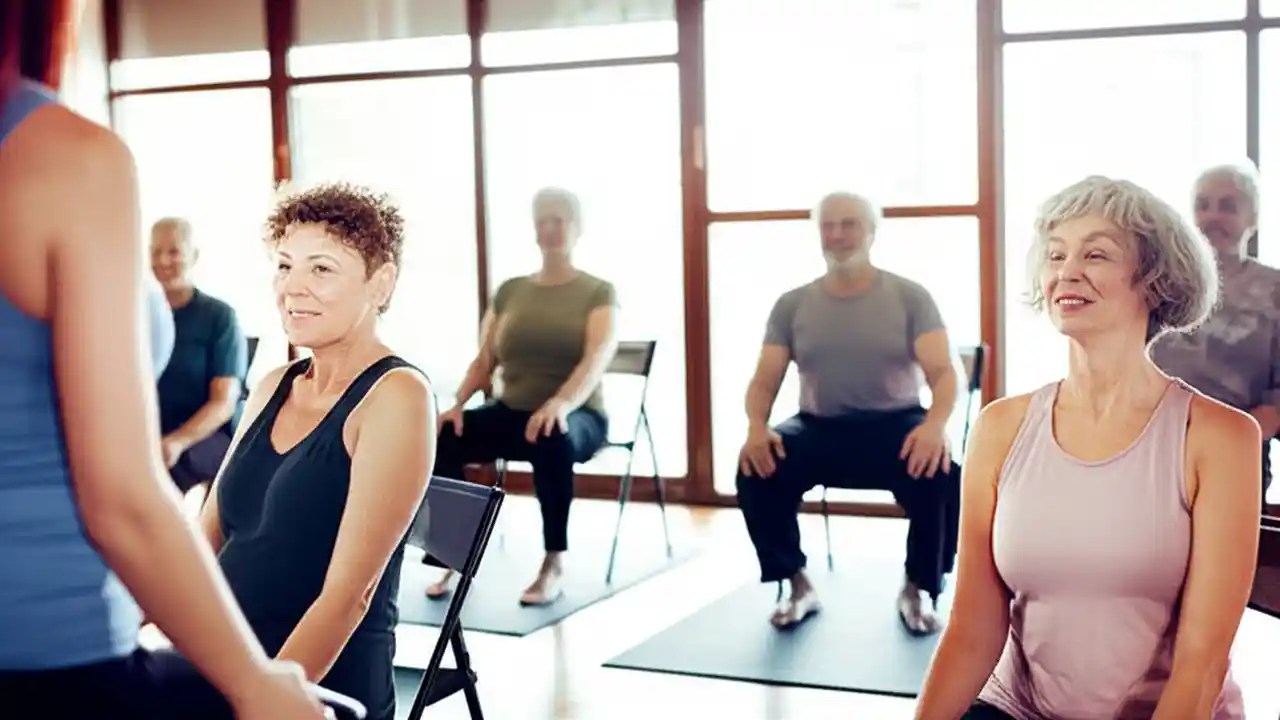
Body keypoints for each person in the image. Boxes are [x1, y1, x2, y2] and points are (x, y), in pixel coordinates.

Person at [0, 1, 326, 717]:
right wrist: (255, 682)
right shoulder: (63, 160)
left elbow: (219, 399)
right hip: (51, 652)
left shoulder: (218, 315)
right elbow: (119, 499)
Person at [915, 176, 1260, 719]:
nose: (1065, 271)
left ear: (1154, 281)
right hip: (1018, 709)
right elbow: (972, 631)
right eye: (1055, 254)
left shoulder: (1221, 439)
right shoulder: (999, 428)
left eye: (1096, 253)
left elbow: (1202, 663)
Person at [197, 182, 435, 720]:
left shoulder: (396, 397)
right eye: (284, 266)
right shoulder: (273, 384)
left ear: (381, 283)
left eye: (321, 269)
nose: (292, 288)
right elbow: (204, 543)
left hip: (312, 691)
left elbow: (350, 595)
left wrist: (260, 698)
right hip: (225, 666)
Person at [735, 191, 962, 632]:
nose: (838, 234)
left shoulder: (910, 296)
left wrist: (936, 426)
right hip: (818, 426)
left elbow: (943, 373)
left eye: (849, 224)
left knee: (942, 472)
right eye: (829, 225)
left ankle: (919, 587)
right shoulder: (792, 304)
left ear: (872, 232)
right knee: (754, 468)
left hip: (896, 423)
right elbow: (764, 380)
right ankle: (796, 583)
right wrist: (756, 427)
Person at [420, 186, 617, 606]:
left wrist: (560, 403)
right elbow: (485, 358)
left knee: (551, 436)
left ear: (576, 227)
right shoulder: (511, 291)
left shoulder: (598, 291)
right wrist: (457, 404)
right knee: (446, 436)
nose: (549, 228)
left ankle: (553, 562)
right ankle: (450, 554)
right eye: (542, 220)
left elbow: (596, 358)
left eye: (558, 219)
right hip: (513, 412)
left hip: (578, 417)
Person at [1151, 161, 1279, 500]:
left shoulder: (1274, 289)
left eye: (1228, 206)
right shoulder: (1159, 282)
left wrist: (1237, 438)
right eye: (1202, 205)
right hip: (1149, 447)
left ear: (1252, 218)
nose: (1212, 217)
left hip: (1234, 454)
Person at [151, 217, 249, 496]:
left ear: (193, 256)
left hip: (207, 434)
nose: (163, 261)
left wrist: (177, 442)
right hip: (151, 432)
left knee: (164, 475)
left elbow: (223, 403)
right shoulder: (139, 315)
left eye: (173, 251)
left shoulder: (219, 316)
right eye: (155, 252)